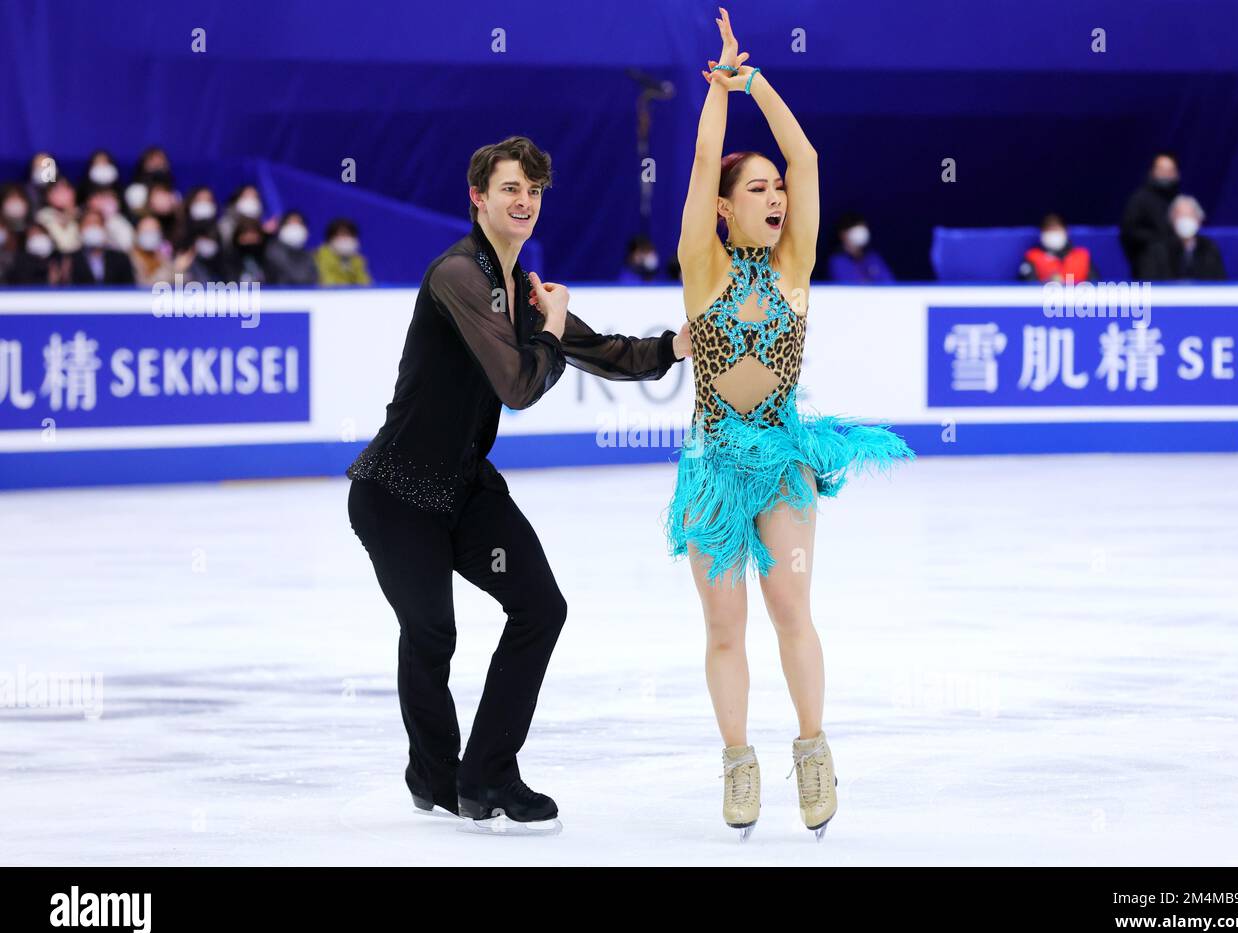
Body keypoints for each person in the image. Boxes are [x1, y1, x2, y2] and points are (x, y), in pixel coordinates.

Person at [345, 135, 689, 834]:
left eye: (533, 190)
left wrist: (671, 349)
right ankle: (434, 777)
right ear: (477, 198)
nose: (523, 201)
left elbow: (601, 352)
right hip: (397, 492)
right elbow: (519, 383)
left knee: (541, 607)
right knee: (432, 630)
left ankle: (488, 773)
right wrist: (552, 331)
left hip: (466, 492)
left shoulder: (520, 291)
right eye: (509, 188)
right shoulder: (457, 277)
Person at [667, 7, 914, 841]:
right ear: (726, 212)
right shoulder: (700, 268)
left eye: (777, 190)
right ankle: (739, 763)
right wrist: (716, 94)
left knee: (791, 606)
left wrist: (756, 81)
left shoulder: (796, 265)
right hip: (710, 465)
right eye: (758, 189)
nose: (775, 195)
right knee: (724, 624)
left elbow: (806, 156)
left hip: (781, 458)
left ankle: (812, 748)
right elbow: (705, 159)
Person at [1137, 194, 1226, 281]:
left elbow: (1219, 284)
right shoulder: (1157, 250)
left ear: (1199, 220)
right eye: (1180, 216)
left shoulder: (1209, 248)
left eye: (1189, 215)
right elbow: (1150, 284)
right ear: (1171, 220)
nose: (1185, 220)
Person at [1120, 152, 1181, 278]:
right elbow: (1129, 232)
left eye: (1170, 170)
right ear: (1152, 171)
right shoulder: (1139, 200)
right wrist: (1159, 241)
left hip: (1178, 269)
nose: (1165, 174)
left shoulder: (1181, 201)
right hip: (1149, 268)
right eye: (1161, 169)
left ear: (1177, 174)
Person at [1018, 213, 1098, 283]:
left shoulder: (1082, 256)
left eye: (1056, 228)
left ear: (1065, 231)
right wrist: (1049, 284)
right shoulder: (1033, 256)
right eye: (1049, 229)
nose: (1053, 233)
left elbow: (1096, 285)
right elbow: (1027, 287)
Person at [71, 209, 134, 286]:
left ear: (104, 228)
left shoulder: (120, 259)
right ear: (80, 229)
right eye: (88, 224)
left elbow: (129, 288)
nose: (93, 228)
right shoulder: (70, 260)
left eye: (97, 223)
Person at [827, 212, 894, 284]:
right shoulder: (837, 261)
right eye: (856, 229)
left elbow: (889, 282)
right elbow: (848, 287)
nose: (860, 234)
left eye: (863, 229)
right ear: (842, 234)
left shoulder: (873, 257)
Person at [264, 211, 319, 285]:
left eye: (298, 224)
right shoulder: (272, 250)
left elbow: (313, 279)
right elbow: (295, 278)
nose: (295, 228)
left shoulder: (307, 255)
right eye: (290, 223)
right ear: (282, 227)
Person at [316, 218, 372, 286]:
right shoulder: (319, 257)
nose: (346, 239)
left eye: (349, 235)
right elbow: (327, 284)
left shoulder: (358, 260)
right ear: (330, 238)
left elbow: (365, 284)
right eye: (342, 235)